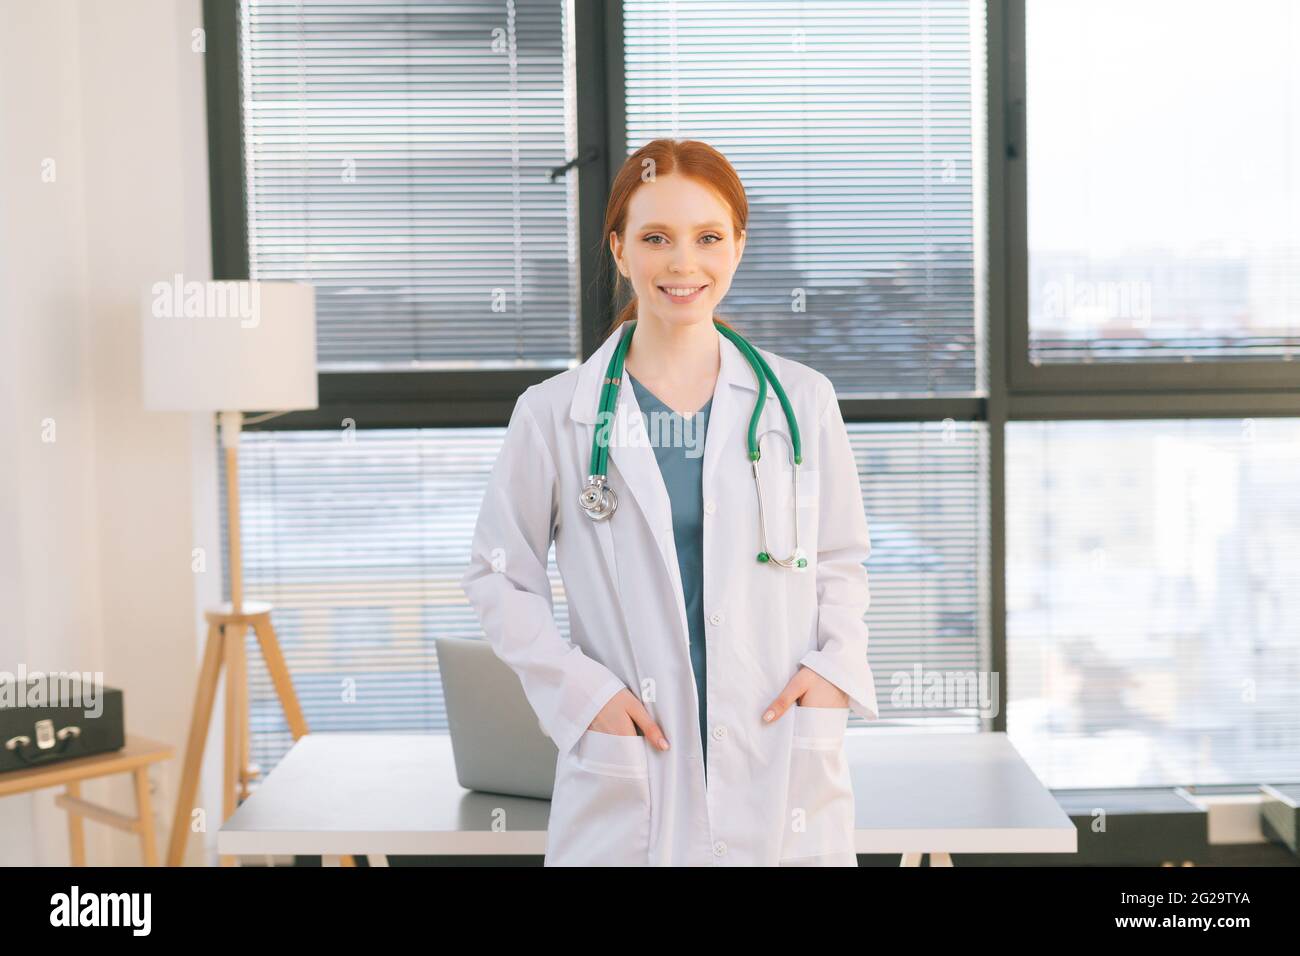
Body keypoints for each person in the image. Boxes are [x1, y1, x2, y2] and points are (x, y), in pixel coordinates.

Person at [460, 138, 878, 866]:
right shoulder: (555, 413)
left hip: (779, 754)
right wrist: (584, 695)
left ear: (738, 248)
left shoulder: (802, 402)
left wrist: (834, 674)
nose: (684, 264)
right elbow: (500, 576)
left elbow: (841, 559)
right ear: (619, 249)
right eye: (656, 238)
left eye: (708, 238)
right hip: (631, 770)